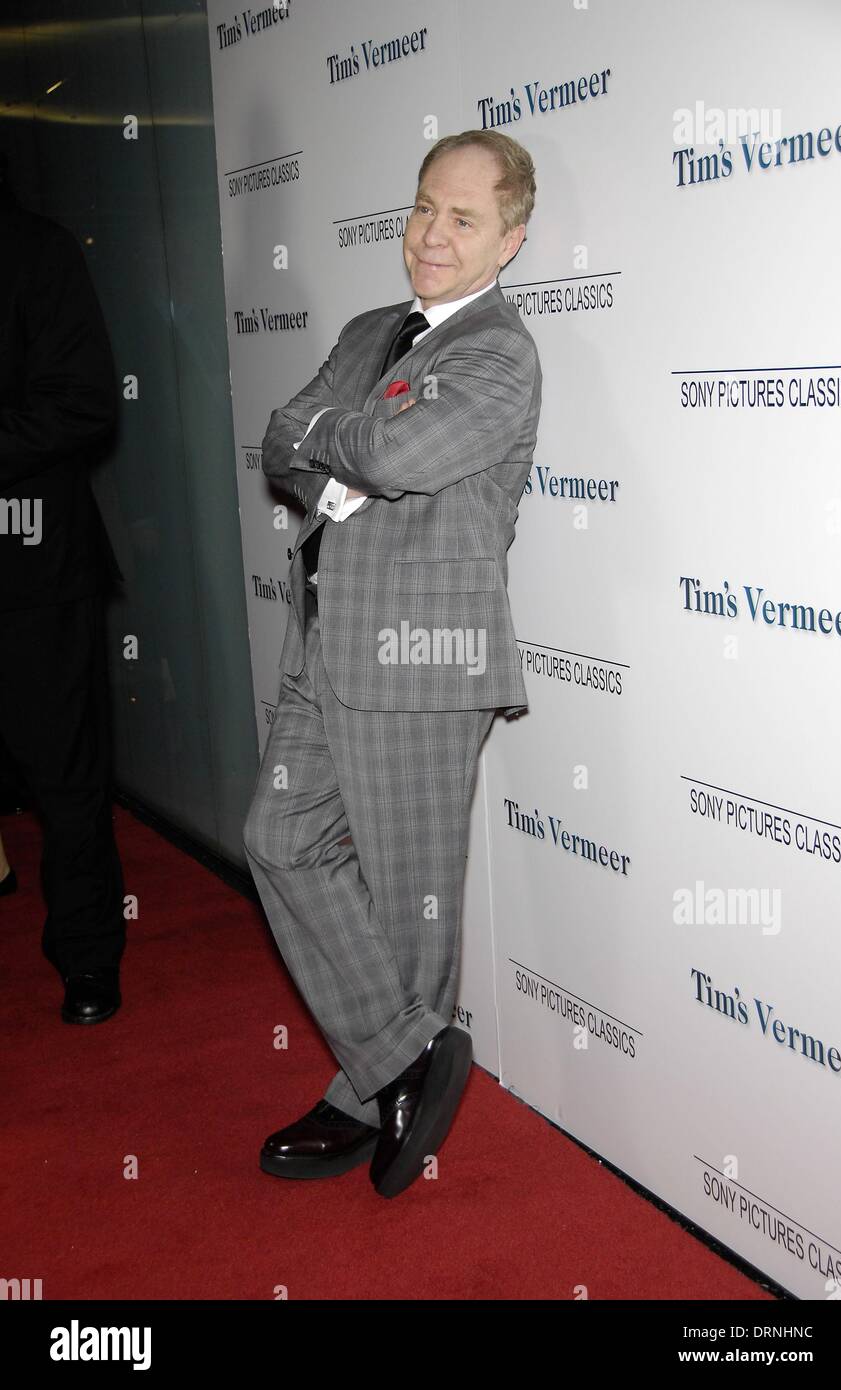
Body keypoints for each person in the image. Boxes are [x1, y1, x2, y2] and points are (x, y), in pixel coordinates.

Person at [244, 130, 541, 1198]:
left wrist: (340, 430)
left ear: (509, 238)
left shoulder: (499, 352)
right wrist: (340, 431)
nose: (431, 234)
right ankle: (402, 1059)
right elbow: (284, 439)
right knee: (276, 838)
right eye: (423, 207)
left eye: (463, 218)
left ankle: (366, 1092)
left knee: (407, 896)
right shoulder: (374, 330)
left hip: (423, 654)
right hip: (323, 637)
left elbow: (389, 453)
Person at [0, 151, 126, 1022]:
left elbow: (85, 404)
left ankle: (86, 957)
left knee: (65, 772)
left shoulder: (37, 253)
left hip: (31, 562)